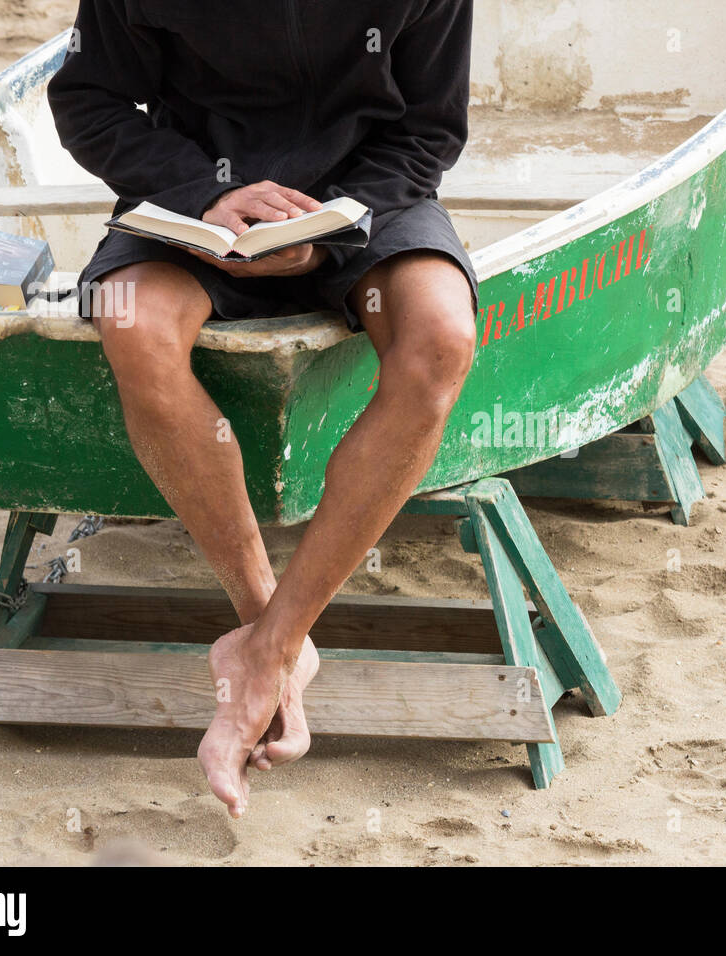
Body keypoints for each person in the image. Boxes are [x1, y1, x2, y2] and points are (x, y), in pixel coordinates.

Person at [48, 0, 478, 818]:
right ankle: (266, 636)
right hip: (192, 212)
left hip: (366, 208)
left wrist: (329, 232)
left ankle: (270, 649)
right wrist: (206, 196)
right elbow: (88, 98)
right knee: (131, 324)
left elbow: (429, 130)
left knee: (442, 340)